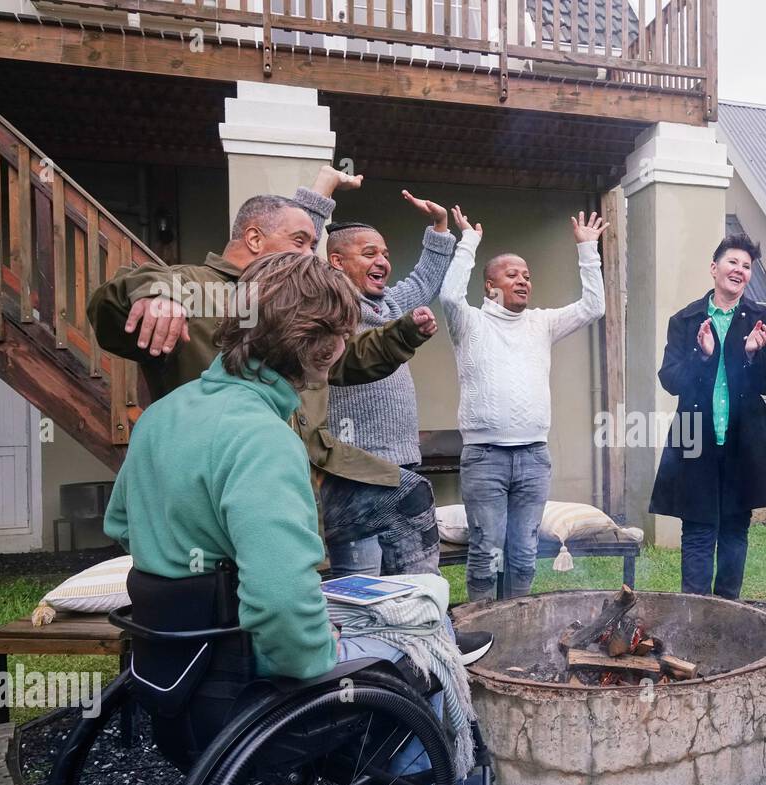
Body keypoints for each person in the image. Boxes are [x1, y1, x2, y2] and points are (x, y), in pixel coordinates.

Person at [103, 252, 466, 785]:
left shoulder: (163, 415)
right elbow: (279, 610)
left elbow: (121, 526)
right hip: (243, 700)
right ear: (319, 348)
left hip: (169, 682)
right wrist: (324, 657)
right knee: (424, 649)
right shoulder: (264, 438)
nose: (346, 345)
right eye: (342, 335)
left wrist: (204, 568)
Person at [86, 167, 440, 562]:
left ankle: (409, 618)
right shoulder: (194, 287)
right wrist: (152, 293)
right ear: (254, 238)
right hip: (232, 472)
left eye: (313, 246)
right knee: (283, 569)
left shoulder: (296, 299)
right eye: (301, 242)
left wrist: (402, 334)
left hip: (316, 466)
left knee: (409, 496)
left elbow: (342, 359)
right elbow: (110, 304)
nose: (310, 256)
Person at [438, 206, 607, 602]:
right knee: (486, 553)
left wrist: (587, 251)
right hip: (485, 457)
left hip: (533, 456)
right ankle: (483, 627)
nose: (523, 281)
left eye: (527, 275)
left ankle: (517, 626)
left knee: (526, 555)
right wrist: (469, 243)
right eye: (512, 274)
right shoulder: (469, 323)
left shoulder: (541, 323)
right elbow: (448, 293)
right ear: (489, 285)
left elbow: (593, 307)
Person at [648, 232, 766, 598]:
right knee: (696, 529)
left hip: (743, 438)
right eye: (733, 262)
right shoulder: (685, 320)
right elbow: (669, 379)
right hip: (694, 433)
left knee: (734, 528)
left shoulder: (760, 318)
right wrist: (703, 356)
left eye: (747, 266)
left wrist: (750, 355)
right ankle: (695, 614)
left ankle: (728, 614)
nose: (740, 270)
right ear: (714, 268)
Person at [322, 187, 458, 577]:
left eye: (384, 254)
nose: (382, 260)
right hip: (354, 467)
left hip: (401, 459)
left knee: (407, 574)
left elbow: (424, 281)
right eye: (369, 254)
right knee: (361, 579)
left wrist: (438, 227)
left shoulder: (390, 303)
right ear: (336, 262)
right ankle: (359, 633)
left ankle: (410, 631)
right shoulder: (330, 304)